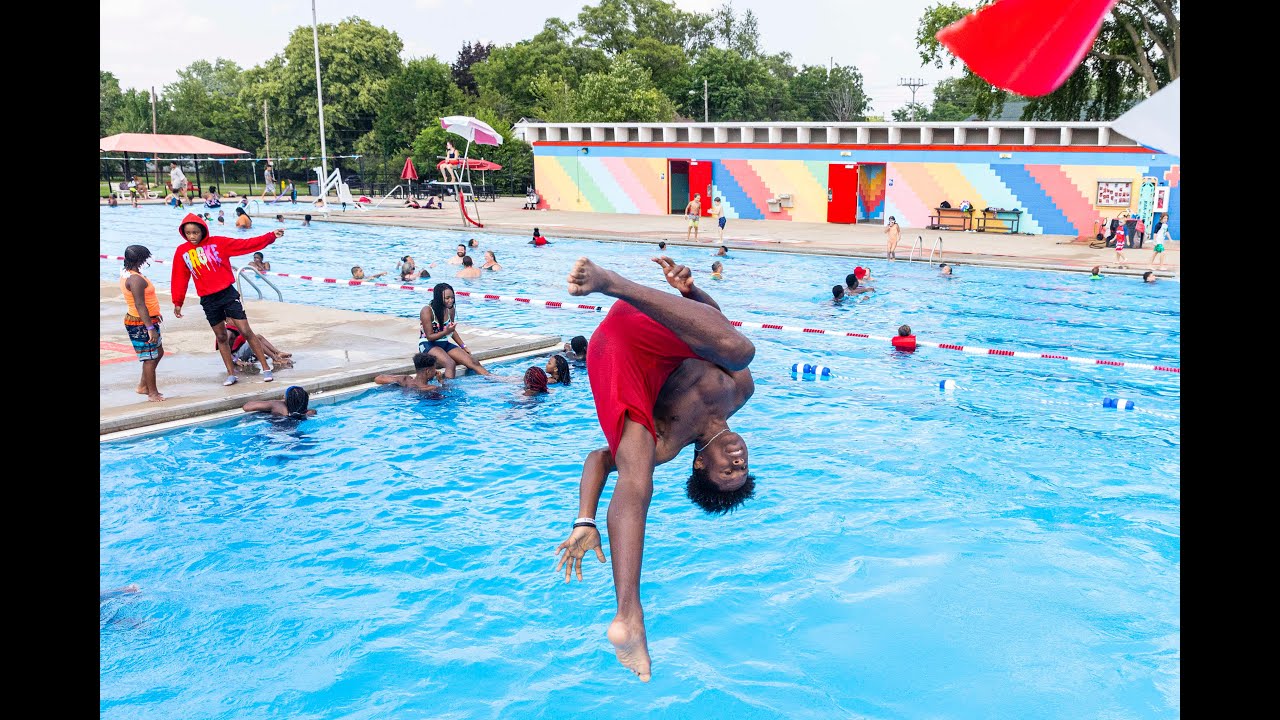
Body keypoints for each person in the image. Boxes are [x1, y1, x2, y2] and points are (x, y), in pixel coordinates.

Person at [555, 255, 757, 683]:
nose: (737, 463)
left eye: (728, 472)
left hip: (620, 356)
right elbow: (716, 329)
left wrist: (585, 519)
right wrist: (692, 293)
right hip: (652, 322)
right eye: (742, 469)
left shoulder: (668, 442)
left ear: (700, 464)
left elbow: (598, 459)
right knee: (741, 352)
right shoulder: (741, 390)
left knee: (638, 471)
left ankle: (629, 615)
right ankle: (613, 283)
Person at [170, 213, 284, 385]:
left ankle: (266, 368)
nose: (192, 236)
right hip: (208, 300)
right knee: (221, 337)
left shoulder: (219, 243)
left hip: (227, 294)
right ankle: (231, 374)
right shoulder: (182, 251)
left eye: (195, 232)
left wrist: (270, 237)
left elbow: (246, 244)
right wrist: (178, 302)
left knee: (246, 331)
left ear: (203, 231)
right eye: (188, 233)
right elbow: (179, 277)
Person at [120, 245, 165, 402]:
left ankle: (143, 385)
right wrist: (150, 327)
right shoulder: (135, 279)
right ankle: (152, 393)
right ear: (140, 259)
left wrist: (155, 315)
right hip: (140, 323)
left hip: (148, 319)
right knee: (150, 358)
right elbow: (140, 304)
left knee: (158, 352)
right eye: (146, 258)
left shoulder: (130, 273)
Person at [418, 283, 491, 378]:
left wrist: (463, 346)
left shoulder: (450, 309)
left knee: (473, 361)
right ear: (438, 298)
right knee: (450, 364)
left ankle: (494, 378)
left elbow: (452, 331)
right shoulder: (427, 310)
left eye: (452, 297)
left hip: (444, 343)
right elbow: (430, 337)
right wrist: (446, 332)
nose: (451, 300)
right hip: (428, 344)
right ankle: (448, 387)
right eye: (447, 298)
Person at [223, 318, 293, 371]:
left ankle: (277, 352)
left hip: (241, 352)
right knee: (255, 341)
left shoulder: (237, 328)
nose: (236, 321)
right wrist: (237, 361)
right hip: (237, 356)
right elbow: (224, 349)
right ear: (227, 321)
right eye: (233, 319)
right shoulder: (229, 331)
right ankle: (275, 358)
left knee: (258, 336)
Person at [374, 351, 444, 393]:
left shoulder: (405, 380)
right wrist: (441, 381)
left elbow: (378, 378)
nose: (435, 371)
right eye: (434, 369)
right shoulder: (432, 388)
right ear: (428, 371)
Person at [243, 385, 316, 418]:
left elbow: (246, 407)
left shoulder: (277, 405)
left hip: (278, 431)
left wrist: (278, 401)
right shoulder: (311, 412)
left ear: (285, 398)